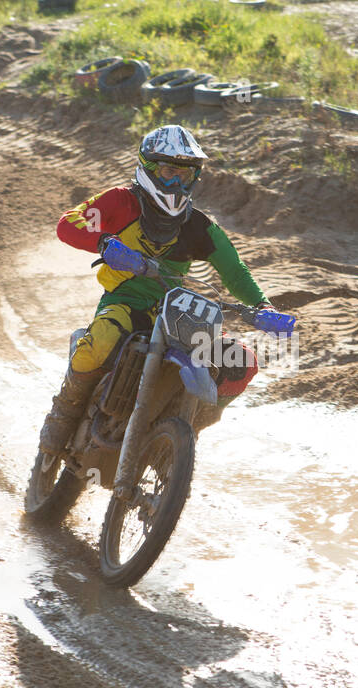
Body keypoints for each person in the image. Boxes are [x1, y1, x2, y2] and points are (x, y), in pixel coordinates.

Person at [39, 124, 279, 456]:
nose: (176, 182)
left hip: (175, 312)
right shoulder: (121, 202)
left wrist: (263, 306)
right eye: (168, 172)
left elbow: (234, 272)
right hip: (126, 302)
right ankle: (63, 411)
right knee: (103, 339)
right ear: (149, 168)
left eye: (185, 175)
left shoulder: (199, 226)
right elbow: (68, 223)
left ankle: (183, 433)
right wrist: (104, 243)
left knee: (242, 361)